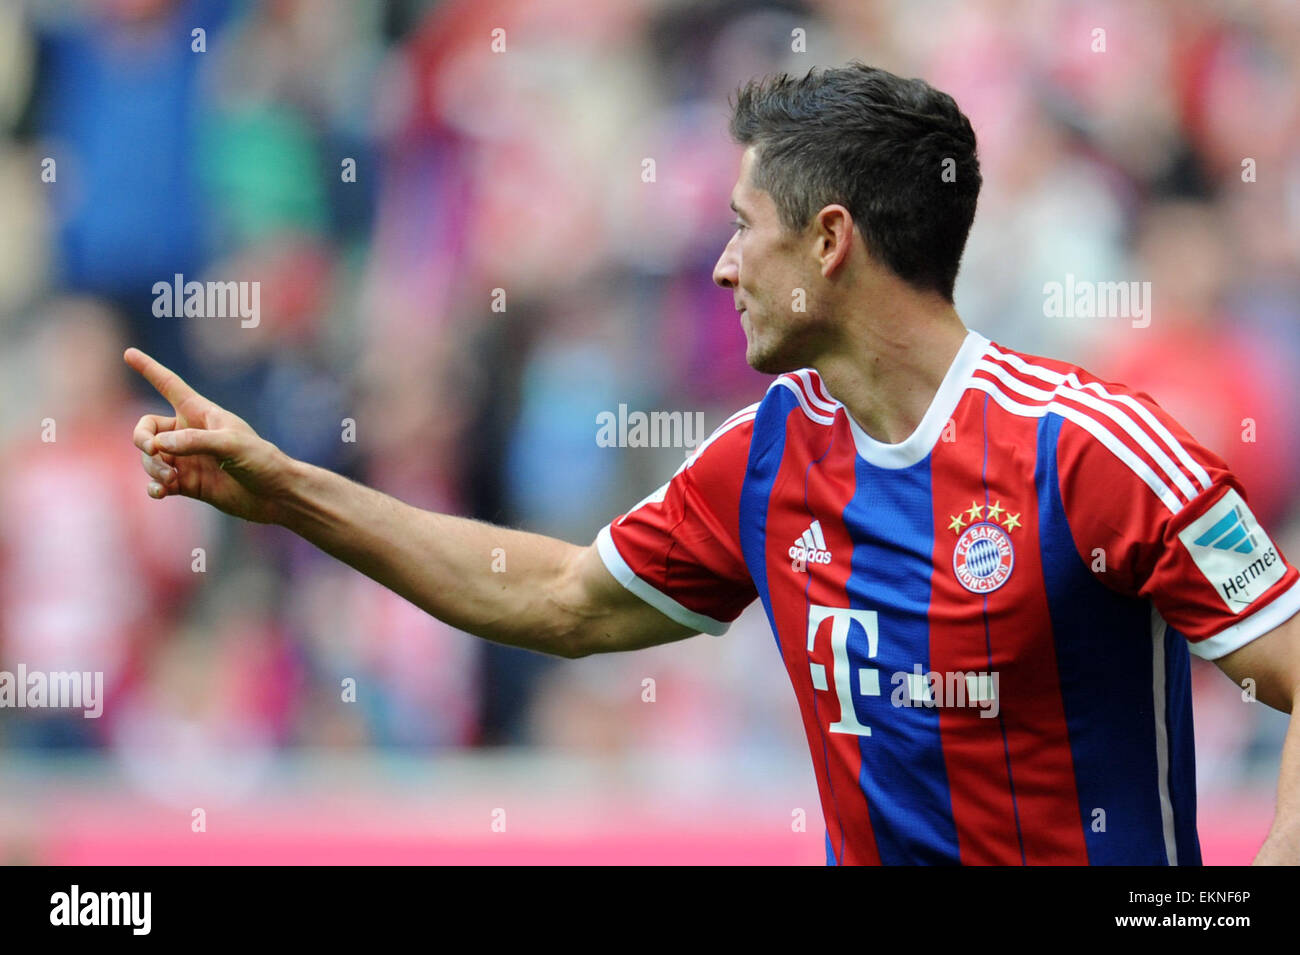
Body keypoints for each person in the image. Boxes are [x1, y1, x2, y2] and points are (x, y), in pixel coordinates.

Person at [125, 63, 1300, 865]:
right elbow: (552, 595)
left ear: (829, 241)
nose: (722, 266)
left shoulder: (1088, 452)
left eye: (744, 225)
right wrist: (287, 491)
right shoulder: (767, 458)